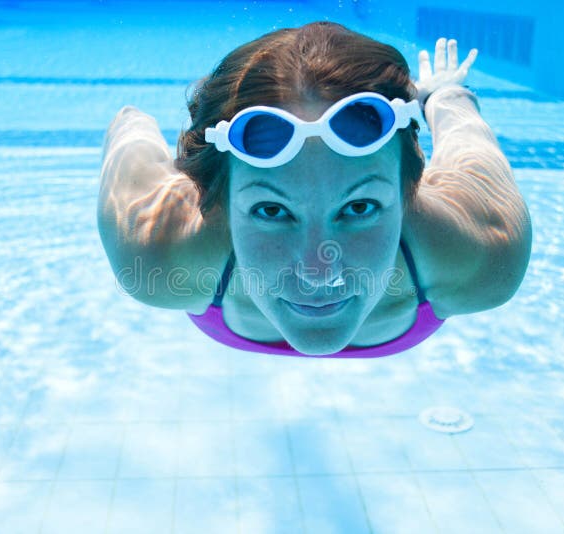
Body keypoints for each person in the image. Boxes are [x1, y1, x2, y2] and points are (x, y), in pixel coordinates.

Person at [97, 22, 532, 358]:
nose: (318, 272)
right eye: (271, 210)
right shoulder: (155, 244)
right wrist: (131, 124)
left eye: (360, 207)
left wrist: (446, 97)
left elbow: (467, 142)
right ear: (222, 200)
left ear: (409, 190)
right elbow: (128, 127)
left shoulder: (483, 258)